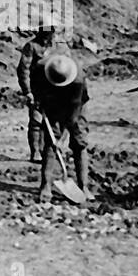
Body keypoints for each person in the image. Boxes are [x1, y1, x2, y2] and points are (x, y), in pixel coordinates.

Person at [31, 53, 93, 203]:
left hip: (75, 104)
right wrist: (36, 101)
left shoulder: (78, 79)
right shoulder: (41, 67)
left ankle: (83, 186)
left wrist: (64, 137)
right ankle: (45, 186)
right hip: (53, 101)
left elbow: (73, 112)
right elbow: (34, 85)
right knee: (51, 142)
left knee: (79, 142)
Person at [16, 18, 66, 162]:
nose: (50, 34)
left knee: (56, 121)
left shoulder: (61, 47)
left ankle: (52, 150)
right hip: (38, 90)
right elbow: (23, 70)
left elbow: (69, 66)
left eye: (52, 31)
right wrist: (28, 92)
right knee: (36, 121)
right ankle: (36, 152)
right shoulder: (31, 47)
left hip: (57, 90)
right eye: (47, 30)